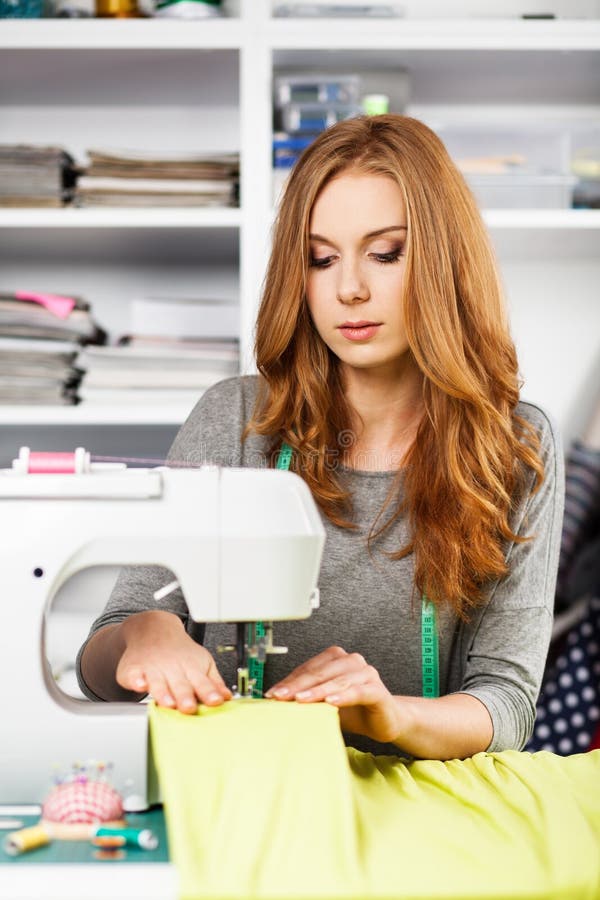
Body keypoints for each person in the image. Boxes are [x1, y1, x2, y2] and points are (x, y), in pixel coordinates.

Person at [77, 114, 564, 761]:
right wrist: (147, 634)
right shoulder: (236, 421)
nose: (349, 288)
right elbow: (98, 657)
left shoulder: (513, 447)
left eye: (386, 253)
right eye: (320, 258)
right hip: (234, 789)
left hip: (408, 809)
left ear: (445, 260)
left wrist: (391, 716)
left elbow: (504, 701)